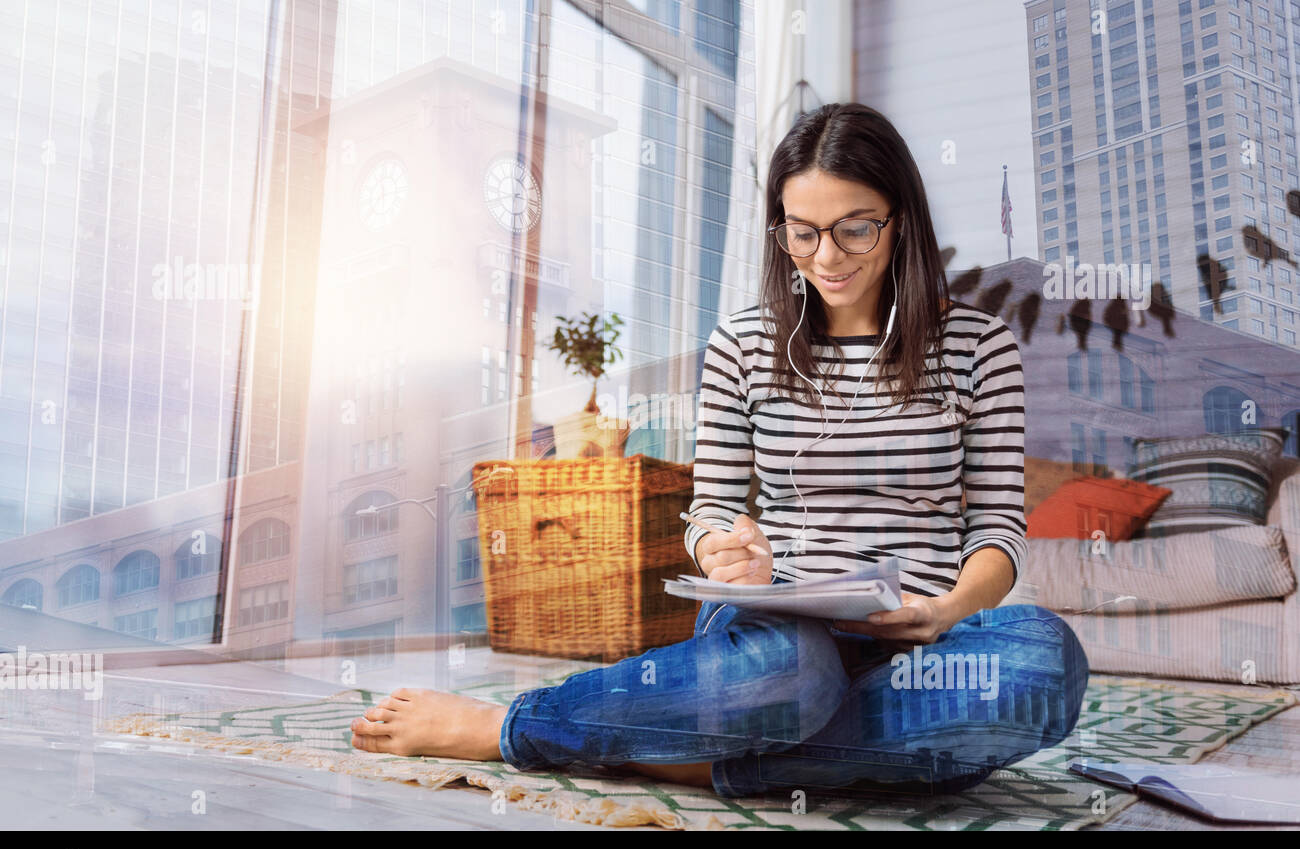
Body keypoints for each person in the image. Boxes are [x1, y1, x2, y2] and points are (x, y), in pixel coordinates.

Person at [350, 102, 1089, 798]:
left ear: (900, 221)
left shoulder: (980, 347)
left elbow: (996, 529)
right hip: (777, 636)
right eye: (802, 231)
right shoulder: (743, 344)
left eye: (854, 229)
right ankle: (514, 724)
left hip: (926, 645)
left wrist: (950, 606)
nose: (825, 256)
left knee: (1042, 662)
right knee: (796, 675)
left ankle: (709, 758)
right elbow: (711, 513)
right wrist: (723, 553)